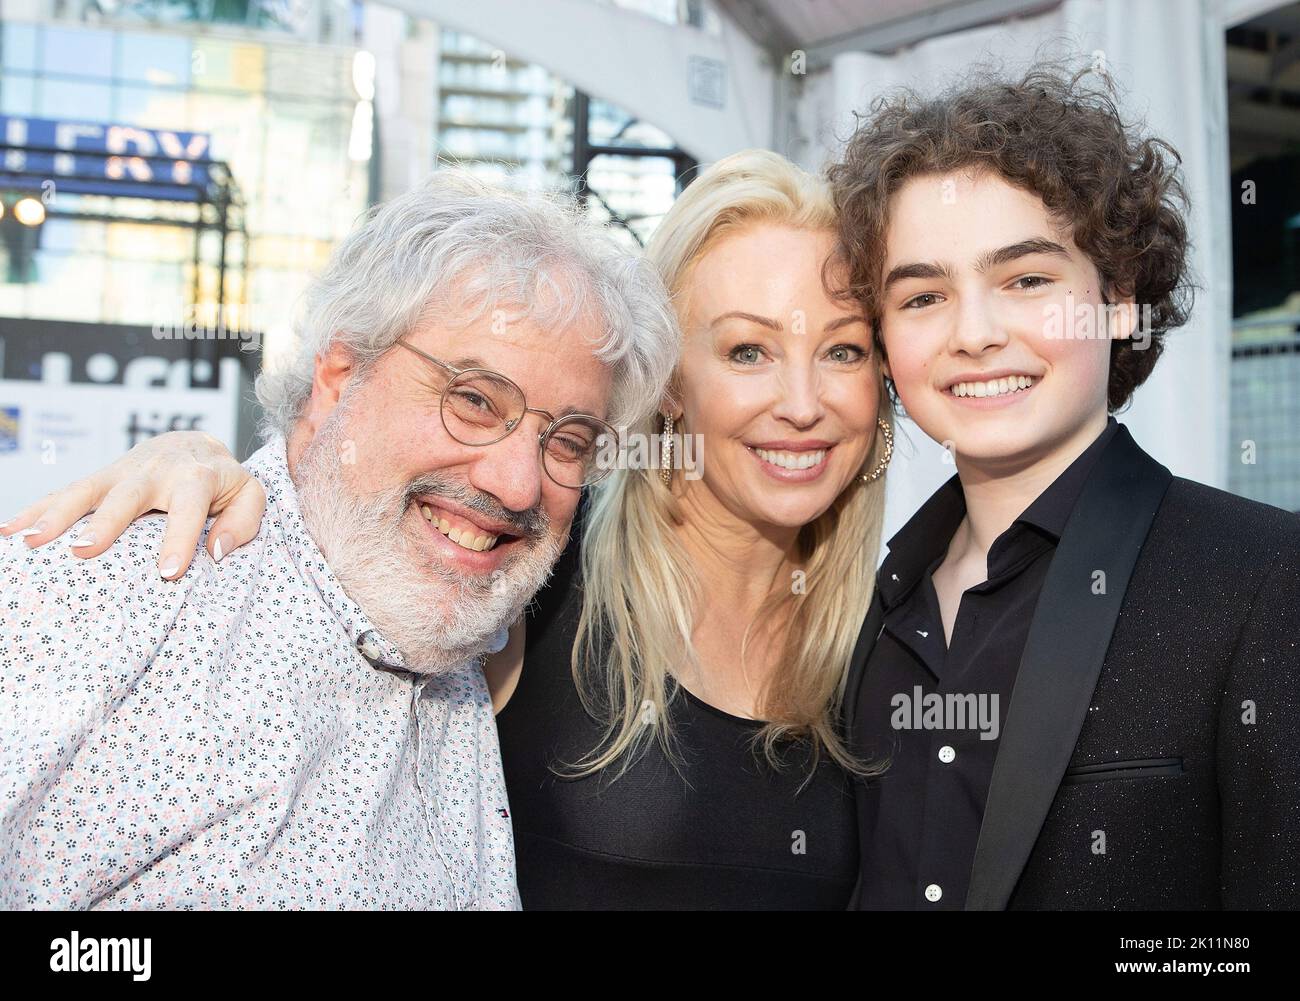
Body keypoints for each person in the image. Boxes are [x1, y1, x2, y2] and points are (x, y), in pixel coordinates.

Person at [8, 150, 894, 909]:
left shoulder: (477, 612)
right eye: (474, 400)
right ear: (335, 376)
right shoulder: (123, 590)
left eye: (567, 439)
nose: (513, 479)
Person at [828, 65, 1300, 909]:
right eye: (925, 294)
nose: (974, 334)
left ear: (1119, 297)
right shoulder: (873, 607)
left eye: (1027, 280)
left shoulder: (1264, 580)